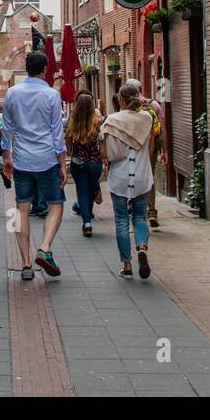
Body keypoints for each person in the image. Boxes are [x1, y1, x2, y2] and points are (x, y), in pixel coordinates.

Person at [1, 52, 68, 280]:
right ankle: (45, 247)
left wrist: (6, 158)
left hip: (21, 159)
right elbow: (57, 133)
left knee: (22, 210)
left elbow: (7, 129)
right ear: (45, 69)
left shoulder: (12, 93)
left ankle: (26, 265)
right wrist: (62, 163)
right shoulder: (51, 95)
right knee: (56, 205)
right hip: (47, 158)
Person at [102, 83, 155, 279]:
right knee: (140, 217)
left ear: (121, 100)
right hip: (142, 175)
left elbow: (108, 154)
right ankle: (141, 246)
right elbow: (150, 150)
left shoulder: (112, 120)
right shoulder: (147, 118)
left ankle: (126, 264)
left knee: (122, 220)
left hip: (120, 176)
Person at [124, 77, 167, 227]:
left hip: (134, 147)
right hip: (152, 147)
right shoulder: (154, 104)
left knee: (133, 176)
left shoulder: (128, 106)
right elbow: (161, 130)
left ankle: (137, 211)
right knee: (150, 176)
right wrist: (164, 151)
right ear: (141, 88)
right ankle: (152, 211)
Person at [65, 92, 103, 237]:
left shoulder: (73, 123)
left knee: (82, 191)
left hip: (78, 162)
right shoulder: (97, 122)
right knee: (91, 191)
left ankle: (87, 222)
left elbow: (68, 143)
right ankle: (88, 218)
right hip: (94, 162)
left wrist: (70, 151)